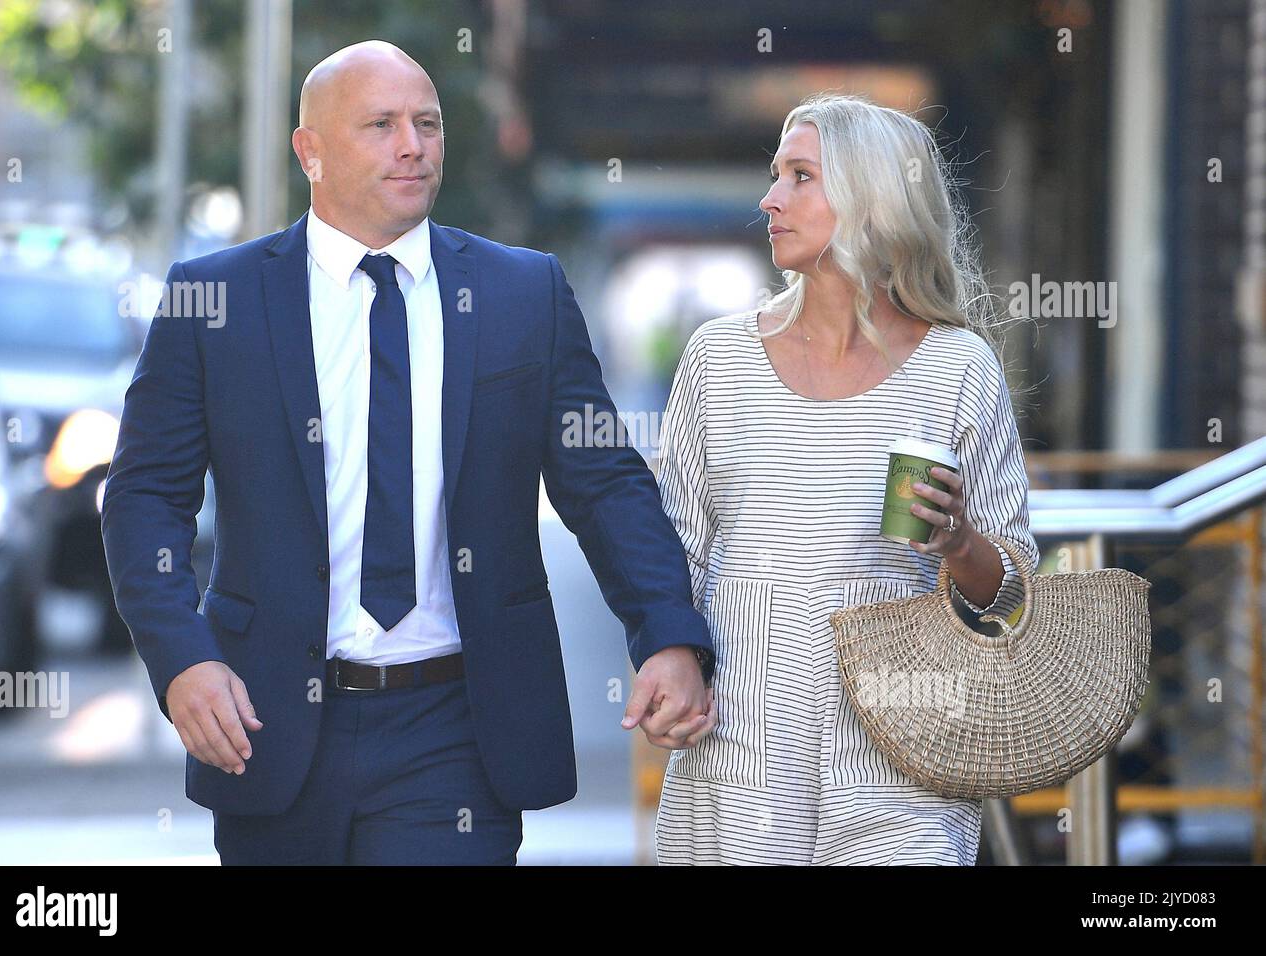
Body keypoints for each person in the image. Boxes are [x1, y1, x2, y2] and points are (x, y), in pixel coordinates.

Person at [101, 40, 716, 866]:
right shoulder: (217, 300)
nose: (412, 145)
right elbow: (144, 500)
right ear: (309, 151)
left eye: (427, 124)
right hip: (267, 720)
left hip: (457, 726)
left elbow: (604, 482)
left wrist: (667, 632)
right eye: (382, 124)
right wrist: (183, 662)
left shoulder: (520, 294)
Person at [652, 92, 1039, 865]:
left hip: (901, 759)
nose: (769, 199)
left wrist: (961, 542)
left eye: (799, 176)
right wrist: (667, 658)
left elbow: (1013, 593)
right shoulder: (717, 360)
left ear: (873, 197)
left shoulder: (956, 368)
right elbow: (674, 557)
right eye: (774, 175)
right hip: (740, 754)